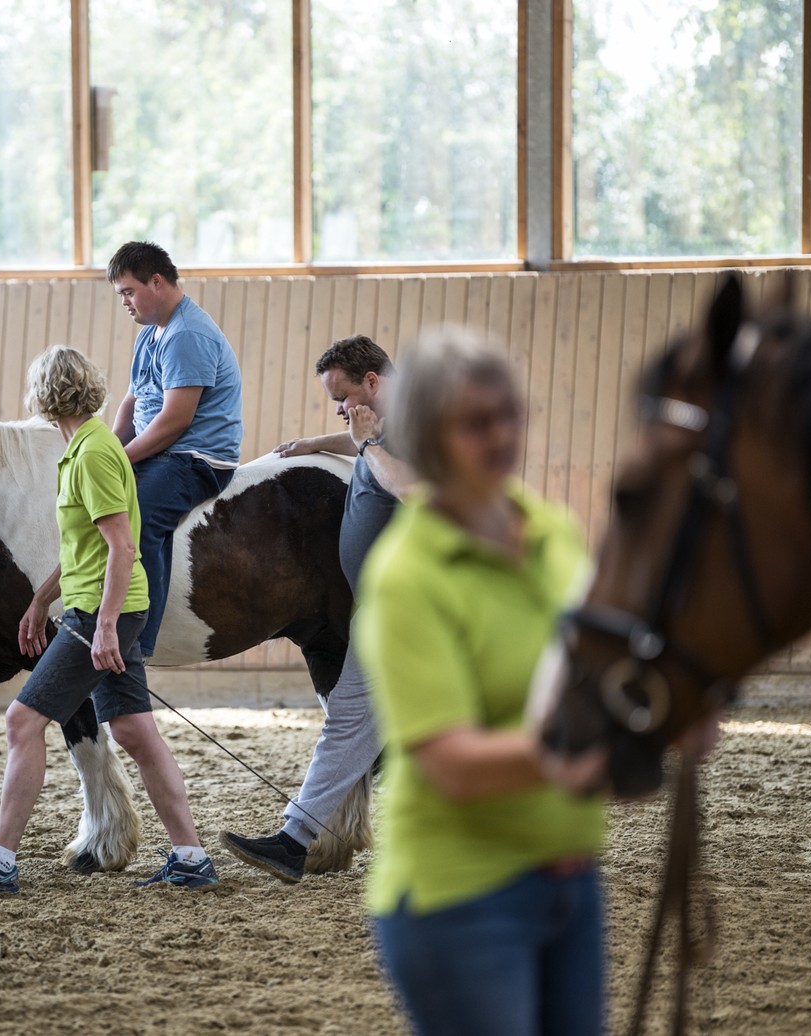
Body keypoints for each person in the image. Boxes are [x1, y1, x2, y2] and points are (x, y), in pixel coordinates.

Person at [354, 327, 607, 1035]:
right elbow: (453, 765)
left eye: (509, 415)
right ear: (430, 437)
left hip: (570, 875)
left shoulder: (552, 529)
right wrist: (598, 749)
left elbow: (596, 667)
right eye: (474, 423)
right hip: (458, 896)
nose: (500, 436)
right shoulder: (407, 577)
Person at [0, 345, 219, 896]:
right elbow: (87, 545)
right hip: (100, 606)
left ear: (42, 395)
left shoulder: (90, 454)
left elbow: (120, 546)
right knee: (134, 730)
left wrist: (107, 624)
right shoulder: (84, 447)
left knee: (21, 721)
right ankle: (190, 856)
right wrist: (42, 598)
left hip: (103, 611)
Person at [219, 334, 413, 882]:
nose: (339, 408)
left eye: (342, 397)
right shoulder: (387, 423)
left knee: (349, 721)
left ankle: (293, 841)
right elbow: (370, 441)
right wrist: (317, 443)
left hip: (399, 607)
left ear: (372, 384)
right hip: (381, 607)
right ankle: (294, 841)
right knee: (363, 727)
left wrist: (367, 445)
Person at [107, 241, 244, 660]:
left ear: (158, 281)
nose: (126, 304)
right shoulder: (150, 333)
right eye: (121, 296)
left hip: (195, 457)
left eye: (129, 292)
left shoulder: (187, 334)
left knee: (139, 518)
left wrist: (123, 458)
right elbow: (132, 401)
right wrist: (108, 450)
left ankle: (137, 641)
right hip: (161, 450)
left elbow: (175, 421)